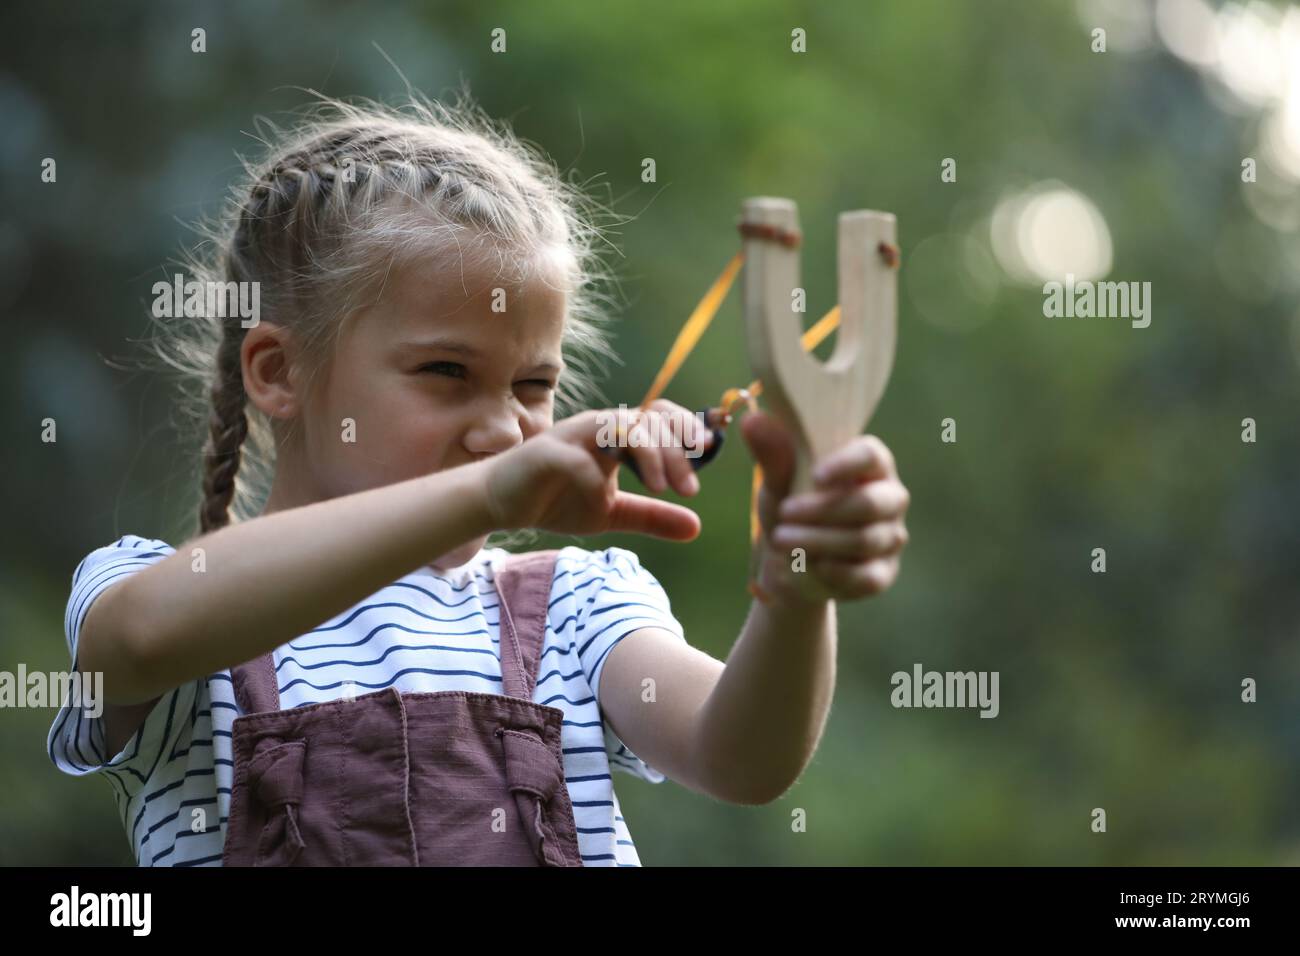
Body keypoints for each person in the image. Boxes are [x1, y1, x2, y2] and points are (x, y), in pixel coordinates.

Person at [47, 91, 911, 866]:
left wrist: (798, 588)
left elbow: (742, 758)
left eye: (533, 385)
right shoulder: (155, 591)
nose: (505, 426)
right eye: (446, 372)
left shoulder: (576, 605)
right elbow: (136, 645)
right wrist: (489, 493)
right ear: (278, 372)